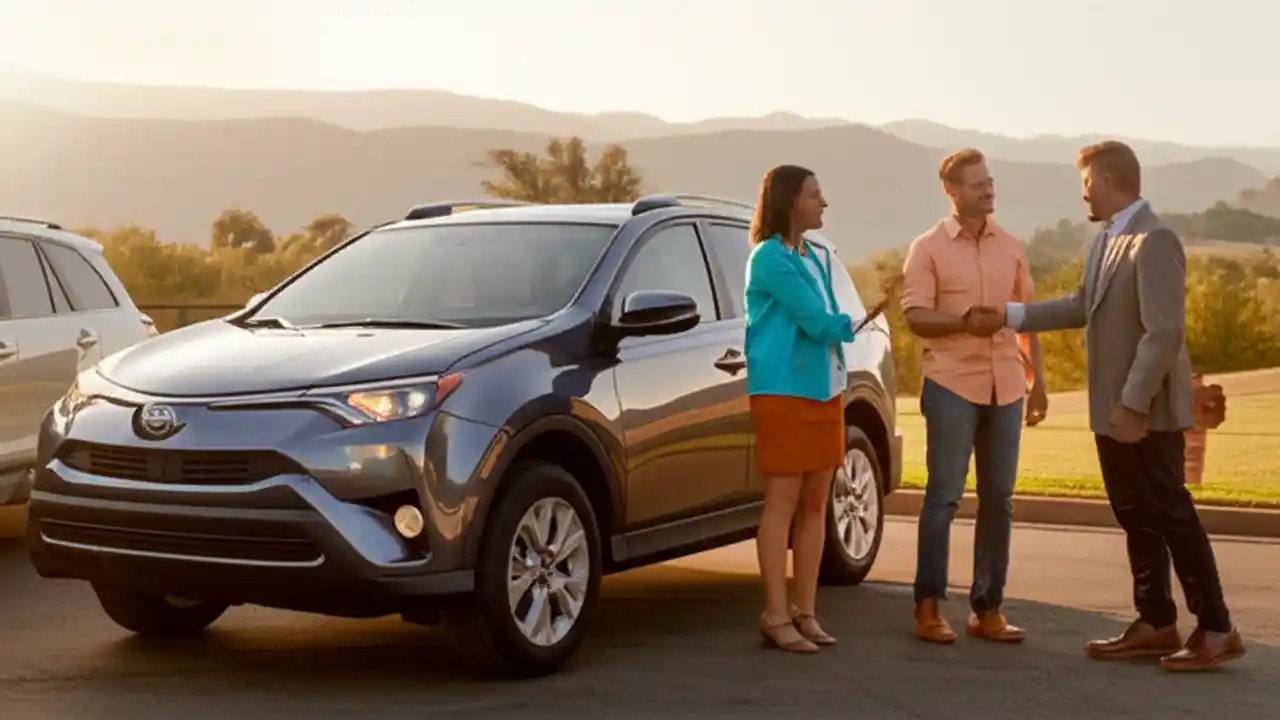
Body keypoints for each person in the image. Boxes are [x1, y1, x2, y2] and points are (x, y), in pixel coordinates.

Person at [983, 140, 1245, 671]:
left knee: (1171, 513)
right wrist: (1009, 316)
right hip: (1111, 412)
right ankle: (1156, 621)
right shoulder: (1107, 239)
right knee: (1135, 515)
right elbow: (1081, 305)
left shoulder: (1155, 240)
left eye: (1085, 183)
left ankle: (1217, 627)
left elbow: (1163, 333)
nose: (1082, 193)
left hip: (1144, 412)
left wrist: (1132, 404)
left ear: (1105, 180)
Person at [900, 148, 1048, 645]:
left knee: (999, 499)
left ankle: (988, 608)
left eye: (990, 182)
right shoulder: (927, 248)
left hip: (1007, 384)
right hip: (951, 384)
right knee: (944, 497)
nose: (988, 190)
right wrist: (963, 323)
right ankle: (928, 606)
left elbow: (1027, 319)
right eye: (977, 184)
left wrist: (1039, 382)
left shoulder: (1012, 247)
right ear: (952, 191)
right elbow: (915, 316)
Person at [744, 164, 856, 653]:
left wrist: (841, 324)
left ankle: (805, 612)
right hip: (783, 391)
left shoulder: (815, 256)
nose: (823, 202)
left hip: (824, 390)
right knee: (783, 501)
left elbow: (828, 315)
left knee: (815, 503)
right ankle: (775, 613)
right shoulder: (769, 258)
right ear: (791, 201)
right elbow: (816, 320)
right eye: (814, 194)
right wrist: (847, 324)